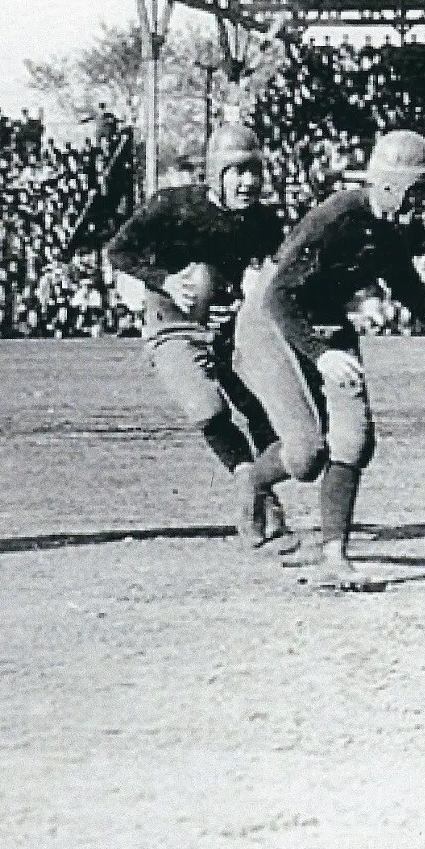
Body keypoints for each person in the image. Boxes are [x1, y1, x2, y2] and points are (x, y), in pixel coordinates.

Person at [233, 131, 425, 590]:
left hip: (325, 319)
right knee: (306, 453)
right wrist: (321, 355)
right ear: (389, 184)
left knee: (354, 439)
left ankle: (334, 555)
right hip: (271, 321)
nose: (424, 201)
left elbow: (401, 276)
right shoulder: (336, 218)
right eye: (417, 189)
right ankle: (254, 481)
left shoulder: (397, 225)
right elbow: (280, 296)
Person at [106, 124, 287, 546]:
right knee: (207, 408)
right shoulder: (173, 205)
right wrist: (165, 280)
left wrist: (250, 298)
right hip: (172, 322)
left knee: (263, 410)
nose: (248, 182)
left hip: (229, 325)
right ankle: (248, 481)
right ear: (215, 173)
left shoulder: (263, 219)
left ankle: (264, 494)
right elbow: (118, 251)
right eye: (237, 171)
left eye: (254, 170)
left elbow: (276, 271)